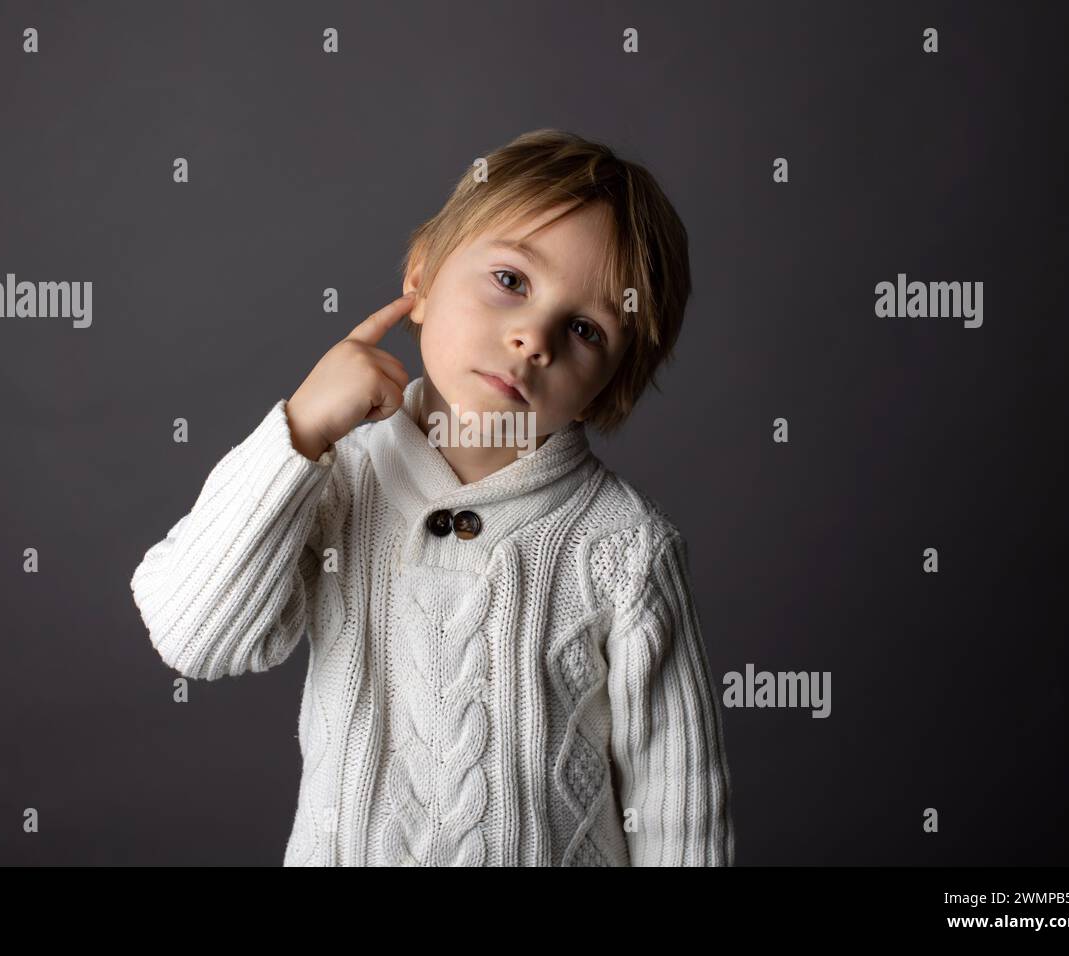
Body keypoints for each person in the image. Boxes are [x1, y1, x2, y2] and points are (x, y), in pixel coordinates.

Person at [130, 129, 735, 866]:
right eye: (511, 281)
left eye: (583, 329)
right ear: (422, 277)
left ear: (609, 386)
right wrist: (302, 431)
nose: (532, 338)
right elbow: (194, 636)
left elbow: (679, 809)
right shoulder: (337, 476)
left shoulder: (625, 548)